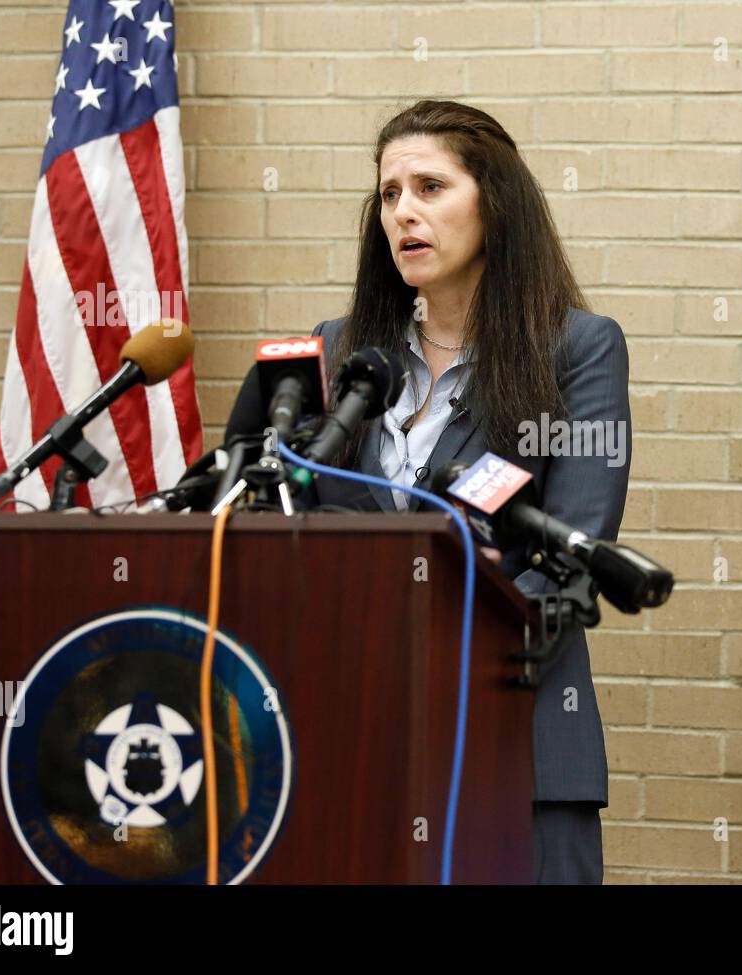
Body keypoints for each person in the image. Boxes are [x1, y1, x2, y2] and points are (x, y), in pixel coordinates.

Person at [225, 100, 631, 884]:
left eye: (430, 187)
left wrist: (428, 649)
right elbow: (283, 520)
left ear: (495, 203)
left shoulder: (577, 349)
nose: (403, 212)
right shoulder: (339, 351)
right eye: (389, 194)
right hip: (355, 742)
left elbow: (572, 554)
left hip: (516, 735)